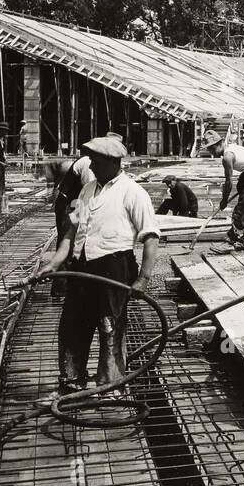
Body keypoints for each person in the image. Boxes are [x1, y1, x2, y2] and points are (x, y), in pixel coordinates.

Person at [35, 136, 159, 393]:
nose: (90, 165)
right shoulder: (87, 190)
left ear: (113, 162)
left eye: (96, 161)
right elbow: (71, 231)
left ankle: (110, 386)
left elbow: (151, 238)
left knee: (110, 327)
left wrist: (143, 279)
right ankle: (72, 382)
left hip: (114, 267)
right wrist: (55, 262)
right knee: (73, 325)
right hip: (82, 267)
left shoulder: (133, 192)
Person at [202, 131, 244, 250]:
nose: (211, 153)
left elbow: (228, 182)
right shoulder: (230, 148)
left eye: (212, 149)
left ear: (219, 144)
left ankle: (233, 239)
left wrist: (224, 200)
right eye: (209, 150)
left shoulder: (227, 157)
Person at [46, 149, 92, 301]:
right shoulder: (88, 164)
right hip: (69, 204)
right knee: (68, 242)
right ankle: (61, 289)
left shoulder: (93, 163)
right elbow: (91, 192)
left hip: (76, 203)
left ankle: (73, 287)